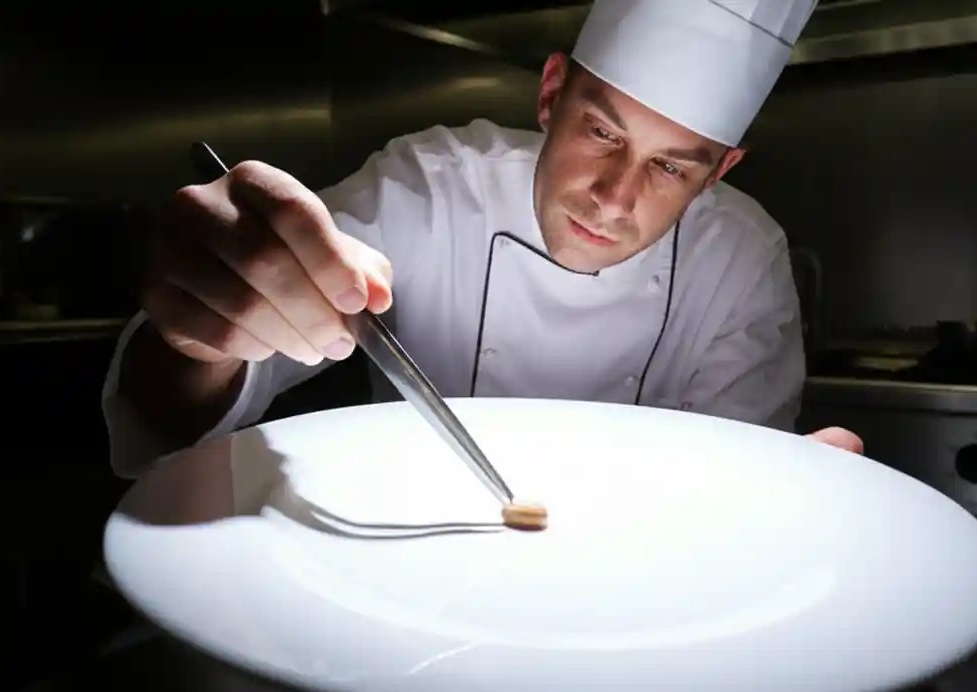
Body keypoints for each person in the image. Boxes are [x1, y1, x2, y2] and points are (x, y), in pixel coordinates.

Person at [101, 0, 864, 479]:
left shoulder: (742, 260)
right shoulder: (431, 185)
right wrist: (205, 338)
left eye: (670, 167)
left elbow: (740, 493)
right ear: (550, 93)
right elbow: (172, 410)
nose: (613, 196)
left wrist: (784, 501)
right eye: (601, 131)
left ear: (719, 171)